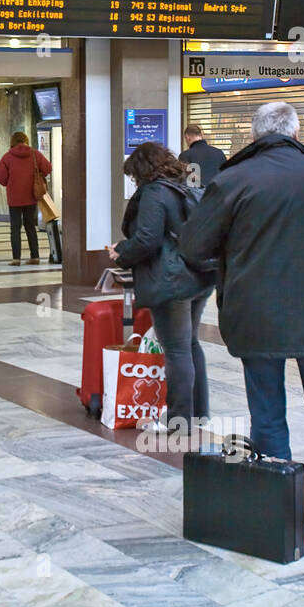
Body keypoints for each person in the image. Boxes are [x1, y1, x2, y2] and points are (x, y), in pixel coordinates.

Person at [180, 101, 304, 547]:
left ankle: (277, 518)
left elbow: (193, 246)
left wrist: (234, 256)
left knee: (267, 417)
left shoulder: (231, 179)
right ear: (294, 131)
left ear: (254, 134)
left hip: (256, 316)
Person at [108, 142, 214, 432]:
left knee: (177, 350)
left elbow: (147, 239)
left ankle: (180, 419)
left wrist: (122, 251)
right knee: (190, 344)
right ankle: (198, 413)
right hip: (198, 276)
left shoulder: (155, 192)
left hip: (171, 282)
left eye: (133, 177)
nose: (134, 182)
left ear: (141, 172)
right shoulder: (185, 186)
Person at [0, 131, 52, 265]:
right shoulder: (34, 154)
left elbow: (1, 178)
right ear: (26, 140)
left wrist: (10, 182)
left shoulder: (7, 157)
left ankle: (16, 258)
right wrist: (37, 173)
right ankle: (35, 256)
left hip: (14, 198)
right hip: (31, 196)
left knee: (15, 228)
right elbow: (48, 168)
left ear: (13, 141)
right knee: (30, 226)